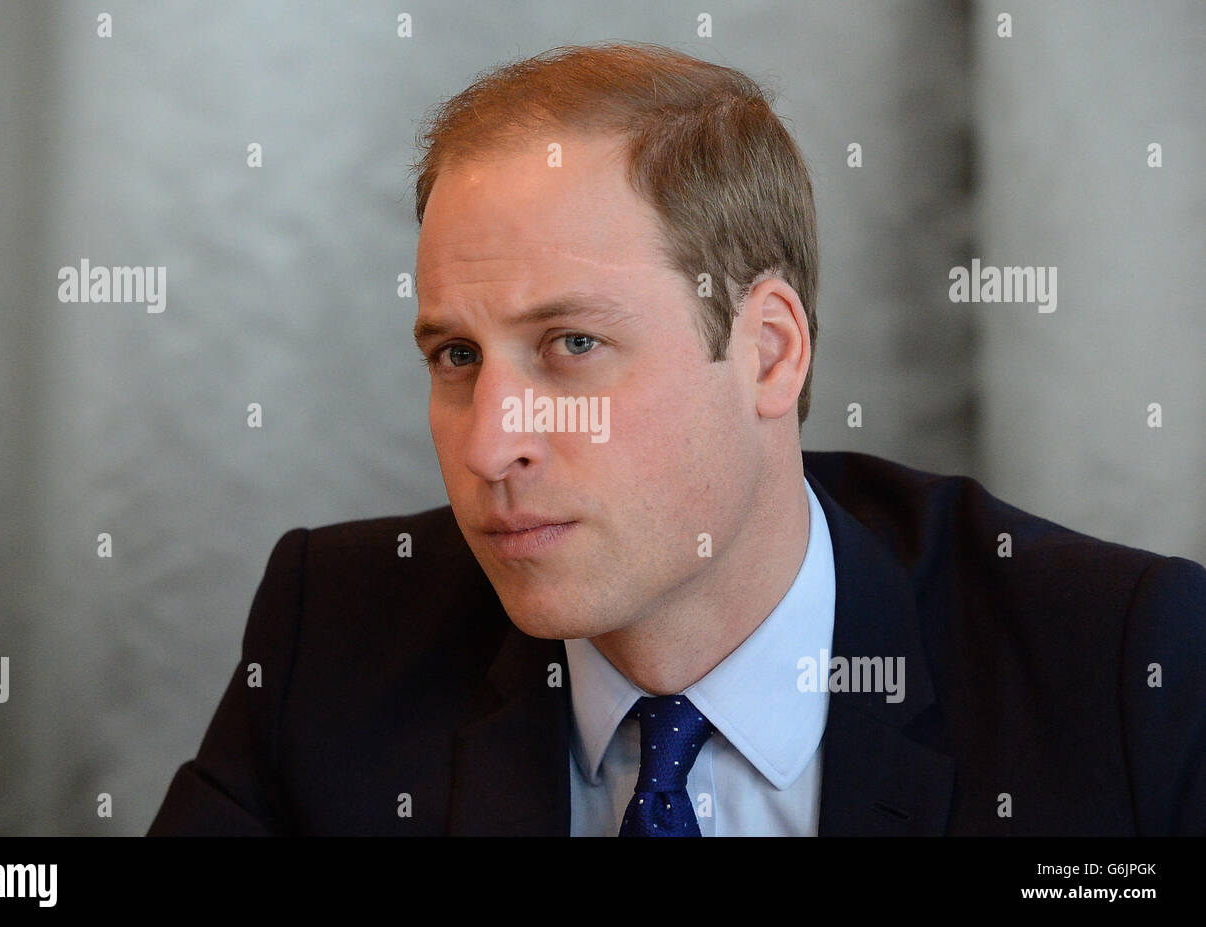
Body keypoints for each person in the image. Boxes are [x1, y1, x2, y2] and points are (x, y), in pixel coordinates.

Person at [148, 42, 1206, 836]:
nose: (489, 448)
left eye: (570, 343)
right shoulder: (335, 635)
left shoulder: (1118, 671)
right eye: (456, 357)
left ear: (767, 353)